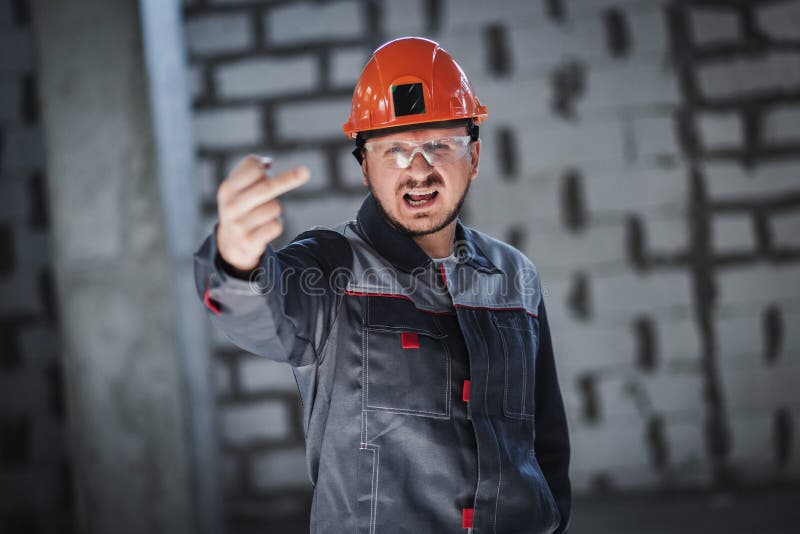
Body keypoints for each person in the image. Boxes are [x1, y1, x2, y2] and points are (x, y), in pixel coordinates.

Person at [194, 36, 571, 534]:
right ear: (365, 167)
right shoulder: (332, 268)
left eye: (440, 143)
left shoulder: (513, 275)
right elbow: (261, 315)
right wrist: (237, 259)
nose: (419, 168)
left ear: (474, 158)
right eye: (394, 149)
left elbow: (545, 441)